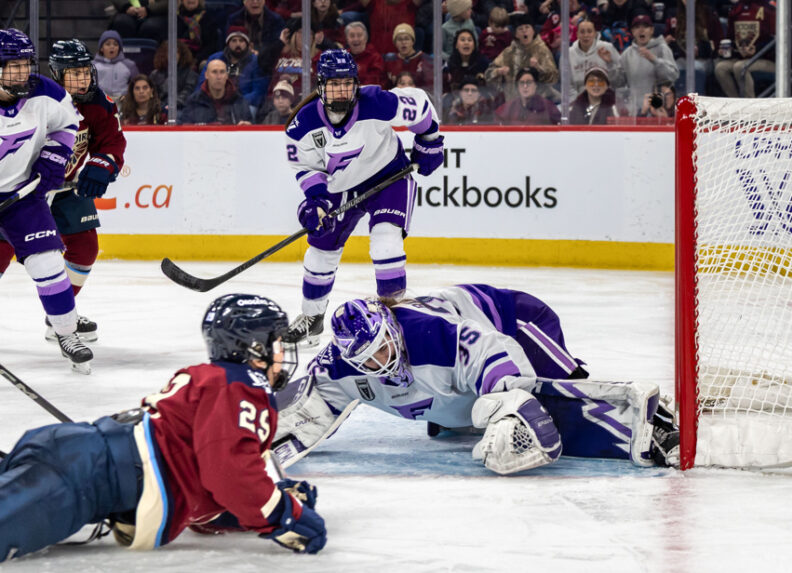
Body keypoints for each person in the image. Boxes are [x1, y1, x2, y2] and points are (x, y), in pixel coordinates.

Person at [0, 293, 327, 562]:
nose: (283, 354)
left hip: (80, 463)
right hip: (81, 478)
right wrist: (282, 514)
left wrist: (262, 501)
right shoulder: (240, 386)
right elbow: (229, 473)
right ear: (256, 349)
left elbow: (202, 491)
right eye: (279, 343)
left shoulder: (212, 380)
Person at [272, 285, 680, 476]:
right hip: (461, 368)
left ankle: (662, 422)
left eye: (382, 348)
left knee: (553, 391)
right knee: (456, 416)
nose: (380, 363)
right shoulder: (338, 365)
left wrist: (505, 403)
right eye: (367, 359)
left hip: (516, 321)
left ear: (392, 329)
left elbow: (493, 350)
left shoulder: (432, 334)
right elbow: (302, 402)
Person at [281, 49, 444, 344]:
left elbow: (420, 106)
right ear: (321, 86)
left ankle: (395, 321)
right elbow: (306, 168)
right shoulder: (301, 125)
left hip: (388, 177)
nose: (341, 91)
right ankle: (312, 317)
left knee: (385, 243)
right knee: (319, 253)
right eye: (334, 84)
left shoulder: (377, 102)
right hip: (340, 187)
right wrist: (315, 201)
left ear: (355, 83)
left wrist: (430, 139)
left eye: (347, 83)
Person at [0, 39, 127, 358]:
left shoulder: (99, 103)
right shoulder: (34, 99)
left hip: (64, 187)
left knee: (85, 249)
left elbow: (112, 141)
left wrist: (102, 164)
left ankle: (60, 317)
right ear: (56, 74)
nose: (83, 80)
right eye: (74, 74)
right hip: (21, 191)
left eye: (86, 72)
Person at [486, 13, 559, 104]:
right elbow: (488, 74)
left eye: (527, 27)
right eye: (520, 29)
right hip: (513, 102)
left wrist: (539, 68)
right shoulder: (509, 52)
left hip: (538, 102)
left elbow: (553, 78)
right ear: (516, 34)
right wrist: (499, 71)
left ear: (533, 31)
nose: (524, 31)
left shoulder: (542, 50)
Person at [198, 26, 269, 114]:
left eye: (241, 41)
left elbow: (259, 91)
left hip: (245, 103)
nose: (238, 44)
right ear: (228, 43)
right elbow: (202, 83)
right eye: (234, 40)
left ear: (247, 44)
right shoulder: (215, 58)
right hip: (215, 101)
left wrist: (239, 102)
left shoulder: (256, 61)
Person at [713, 0, 775, 98]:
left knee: (740, 67)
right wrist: (727, 50)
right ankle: (735, 102)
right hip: (743, 59)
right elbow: (732, 38)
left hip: (767, 60)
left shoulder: (769, 9)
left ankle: (750, 105)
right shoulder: (736, 9)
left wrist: (757, 50)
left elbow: (777, 41)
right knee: (720, 68)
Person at [619, 13, 678, 115]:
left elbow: (673, 75)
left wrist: (654, 60)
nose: (641, 30)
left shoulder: (662, 49)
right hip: (635, 112)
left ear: (652, 30)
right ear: (632, 32)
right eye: (637, 27)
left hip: (659, 110)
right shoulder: (626, 54)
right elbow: (619, 83)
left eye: (645, 27)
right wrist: (610, 64)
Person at [663, 0, 723, 95]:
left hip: (705, 59)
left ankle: (696, 104)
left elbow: (718, 42)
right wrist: (667, 41)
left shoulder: (708, 14)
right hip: (682, 58)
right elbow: (668, 38)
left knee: (695, 67)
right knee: (673, 69)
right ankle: (676, 104)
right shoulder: (675, 15)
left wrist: (701, 50)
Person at [180, 59, 254, 125]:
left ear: (226, 76)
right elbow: (184, 126)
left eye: (222, 72)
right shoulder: (194, 101)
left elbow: (250, 126)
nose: (218, 77)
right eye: (214, 72)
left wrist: (247, 127)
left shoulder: (239, 100)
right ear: (206, 75)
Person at [569, 16, 625, 101]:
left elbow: (620, 82)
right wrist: (577, 104)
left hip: (607, 101)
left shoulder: (607, 48)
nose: (586, 35)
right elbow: (568, 87)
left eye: (589, 31)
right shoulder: (568, 54)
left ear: (595, 33)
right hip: (579, 103)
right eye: (582, 32)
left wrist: (610, 64)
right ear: (577, 34)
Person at [494, 67, 561, 125]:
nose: (525, 86)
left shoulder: (548, 107)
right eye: (522, 82)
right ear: (517, 86)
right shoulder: (510, 107)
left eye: (529, 82)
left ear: (536, 85)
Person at [149, 40, 197, 111]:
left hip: (181, 109)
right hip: (159, 109)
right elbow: (151, 95)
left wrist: (173, 105)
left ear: (181, 54)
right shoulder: (155, 74)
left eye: (176, 52)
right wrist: (160, 106)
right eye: (169, 52)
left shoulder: (190, 74)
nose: (173, 55)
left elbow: (187, 93)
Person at [93, 31, 140, 101]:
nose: (112, 47)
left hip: (123, 102)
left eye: (115, 44)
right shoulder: (93, 65)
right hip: (100, 102)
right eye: (108, 44)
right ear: (101, 48)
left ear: (119, 48)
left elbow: (138, 83)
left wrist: (129, 95)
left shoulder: (129, 65)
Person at [384, 23, 432, 89]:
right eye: (400, 39)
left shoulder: (424, 59)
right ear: (395, 43)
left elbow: (430, 86)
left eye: (407, 39)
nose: (403, 42)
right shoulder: (390, 60)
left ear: (413, 41)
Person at [443, 28, 490, 93]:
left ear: (474, 46)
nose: (466, 43)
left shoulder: (483, 63)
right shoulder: (449, 64)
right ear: (456, 45)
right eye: (462, 40)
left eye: (469, 40)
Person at [177, 0, 221, 65]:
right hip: (178, 58)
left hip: (200, 59)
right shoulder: (174, 18)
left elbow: (211, 46)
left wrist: (196, 60)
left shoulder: (207, 18)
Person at [344, 21, 387, 86]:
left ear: (366, 38)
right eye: (352, 36)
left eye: (359, 35)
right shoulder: (342, 57)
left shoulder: (375, 58)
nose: (356, 39)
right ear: (347, 39)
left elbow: (372, 83)